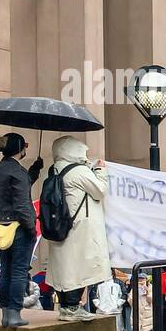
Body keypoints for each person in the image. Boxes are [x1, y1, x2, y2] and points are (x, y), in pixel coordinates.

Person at [42, 136, 110, 321]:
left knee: (64, 267)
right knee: (79, 267)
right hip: (81, 226)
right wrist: (100, 170)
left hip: (62, 224)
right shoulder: (79, 171)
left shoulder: (55, 169)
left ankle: (66, 305)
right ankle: (72, 306)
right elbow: (100, 190)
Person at [0, 133, 43, 328]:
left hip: (2, 226)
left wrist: (33, 171)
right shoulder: (17, 172)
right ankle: (15, 313)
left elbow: (14, 189)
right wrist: (31, 228)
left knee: (6, 270)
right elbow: (22, 203)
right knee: (19, 271)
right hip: (20, 228)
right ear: (20, 148)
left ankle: (6, 314)